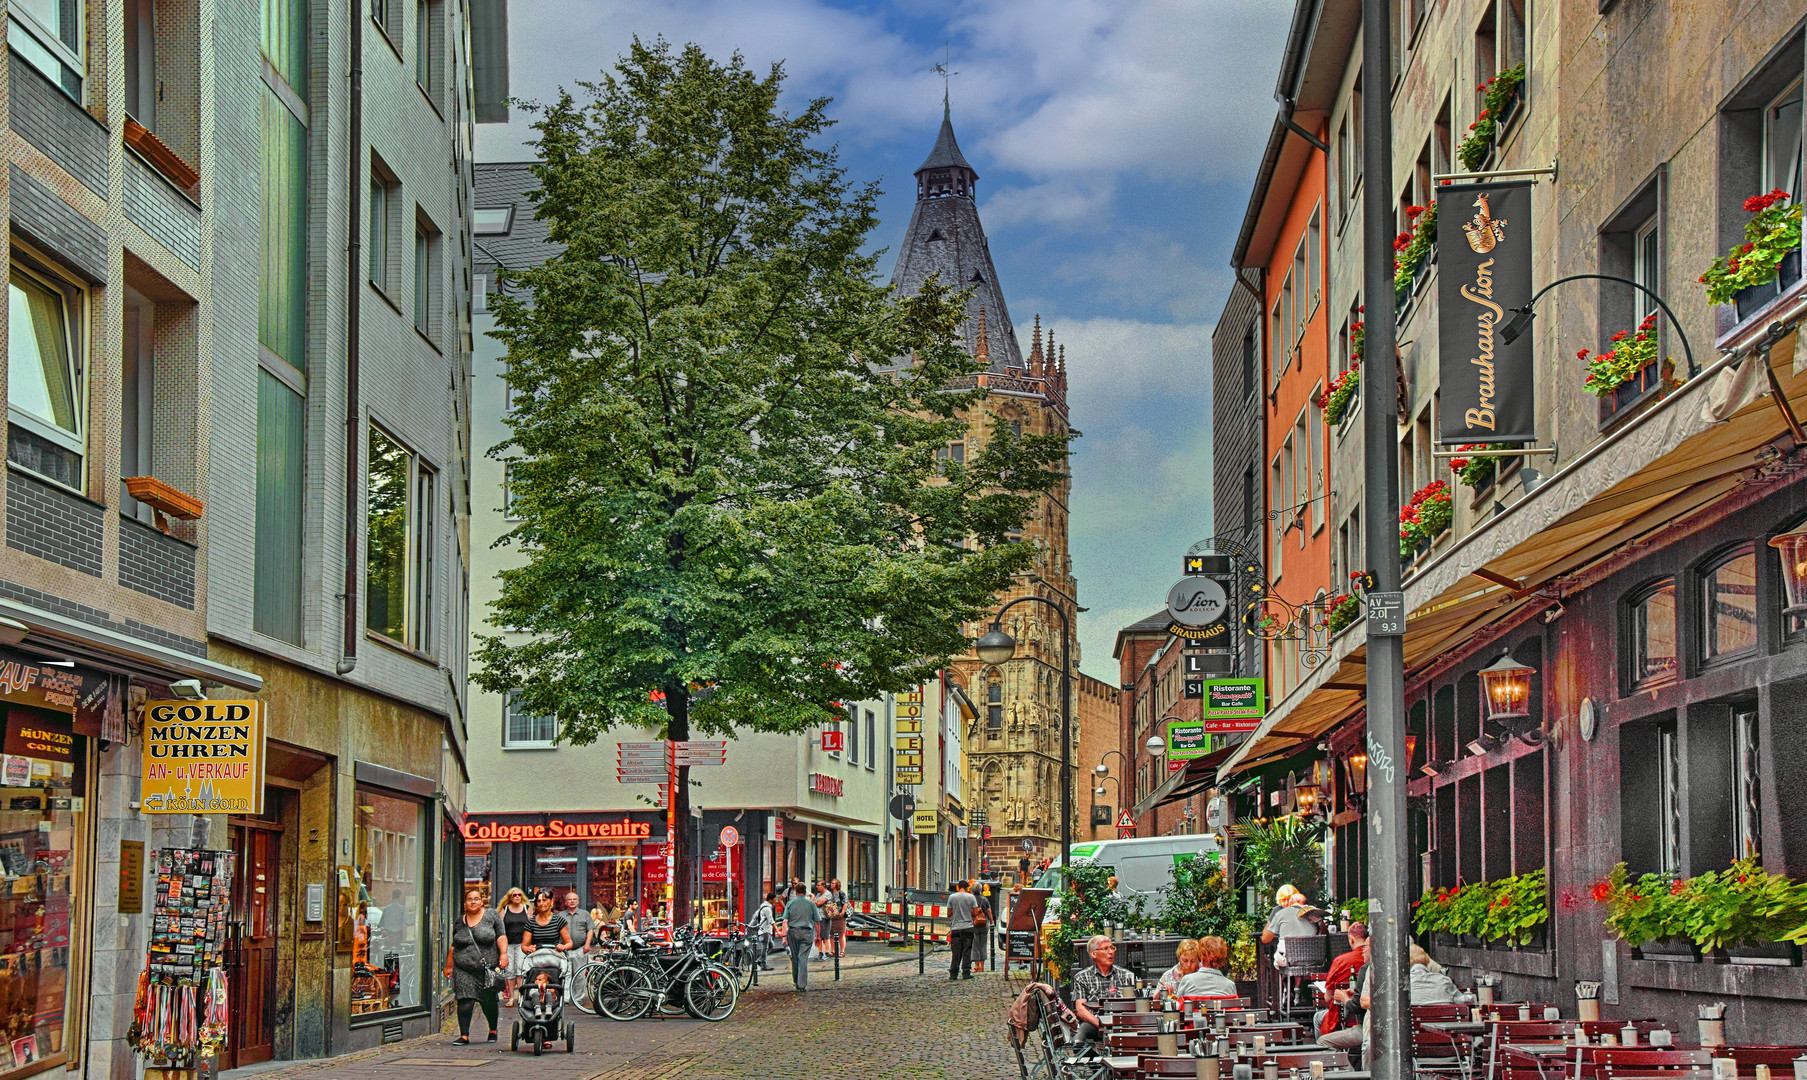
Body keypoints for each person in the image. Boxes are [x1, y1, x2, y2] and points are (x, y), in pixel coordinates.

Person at [443, 888, 508, 1044]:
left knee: (489, 1002)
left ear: (482, 901)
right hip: (463, 968)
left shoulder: (491, 916)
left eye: (476, 899)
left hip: (486, 968)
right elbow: (454, 945)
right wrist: (448, 966)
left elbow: (501, 935)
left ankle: (493, 1029)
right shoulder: (460, 921)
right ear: (465, 903)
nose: (473, 902)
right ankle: (464, 1035)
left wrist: (504, 954)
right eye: (470, 899)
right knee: (465, 1001)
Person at [1070, 934, 1137, 1044]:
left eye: (1112, 948)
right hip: (1094, 1023)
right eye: (1105, 949)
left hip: (1120, 1022)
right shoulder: (1082, 977)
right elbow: (1080, 1010)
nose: (1111, 952)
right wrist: (1100, 1024)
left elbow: (1134, 1004)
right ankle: (1092, 1060)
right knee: (1078, 1041)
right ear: (1093, 953)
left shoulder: (1126, 976)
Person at [1322, 929, 1369, 1051]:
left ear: (1352, 939)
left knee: (1321, 1035)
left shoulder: (1364, 968)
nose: (1363, 951)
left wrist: (1343, 997)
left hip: (1351, 1020)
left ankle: (1333, 1063)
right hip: (1363, 1021)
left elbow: (1328, 998)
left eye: (1366, 948)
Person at [519, 889, 575, 991]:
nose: (541, 903)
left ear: (551, 902)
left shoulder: (559, 921)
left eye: (544, 900)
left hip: (554, 956)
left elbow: (569, 943)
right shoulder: (531, 923)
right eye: (539, 901)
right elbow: (524, 946)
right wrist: (528, 949)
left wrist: (563, 946)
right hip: (536, 957)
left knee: (564, 968)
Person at [783, 883, 821, 992]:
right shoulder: (811, 904)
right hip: (807, 932)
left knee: (795, 957)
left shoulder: (790, 904)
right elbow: (817, 922)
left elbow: (785, 921)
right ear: (805, 892)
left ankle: (796, 981)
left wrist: (784, 936)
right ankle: (802, 984)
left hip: (793, 932)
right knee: (803, 958)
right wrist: (818, 936)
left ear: (795, 891)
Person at [496, 887, 530, 1005]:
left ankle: (521, 997)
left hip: (522, 944)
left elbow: (531, 926)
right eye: (514, 895)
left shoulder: (527, 909)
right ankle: (511, 997)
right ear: (510, 897)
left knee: (520, 971)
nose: (517, 897)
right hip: (508, 945)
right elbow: (499, 928)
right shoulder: (504, 909)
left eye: (519, 895)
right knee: (509, 971)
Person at [946, 880, 977, 980]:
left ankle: (953, 973)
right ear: (967, 887)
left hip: (956, 928)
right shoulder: (971, 897)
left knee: (956, 951)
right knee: (967, 950)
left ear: (958, 887)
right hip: (968, 926)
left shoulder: (952, 897)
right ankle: (966, 972)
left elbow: (949, 914)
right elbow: (975, 912)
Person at [748, 891, 778, 970]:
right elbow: (771, 920)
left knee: (771, 946)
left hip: (763, 931)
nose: (775, 901)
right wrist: (777, 930)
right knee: (765, 947)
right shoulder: (767, 909)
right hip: (765, 931)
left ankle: (760, 960)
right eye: (774, 900)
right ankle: (762, 963)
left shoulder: (763, 907)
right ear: (770, 900)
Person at [562, 891, 596, 956]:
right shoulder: (560, 915)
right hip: (564, 950)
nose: (572, 901)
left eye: (574, 899)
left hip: (581, 949)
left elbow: (590, 930)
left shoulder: (585, 914)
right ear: (565, 902)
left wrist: (587, 944)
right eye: (569, 899)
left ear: (578, 902)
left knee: (581, 966)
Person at [826, 878, 849, 958]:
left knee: (841, 933)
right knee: (831, 934)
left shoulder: (841, 893)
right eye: (831, 883)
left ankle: (842, 951)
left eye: (833, 883)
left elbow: (845, 903)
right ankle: (833, 950)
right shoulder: (829, 894)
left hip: (840, 916)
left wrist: (842, 912)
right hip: (832, 916)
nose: (831, 885)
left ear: (837, 885)